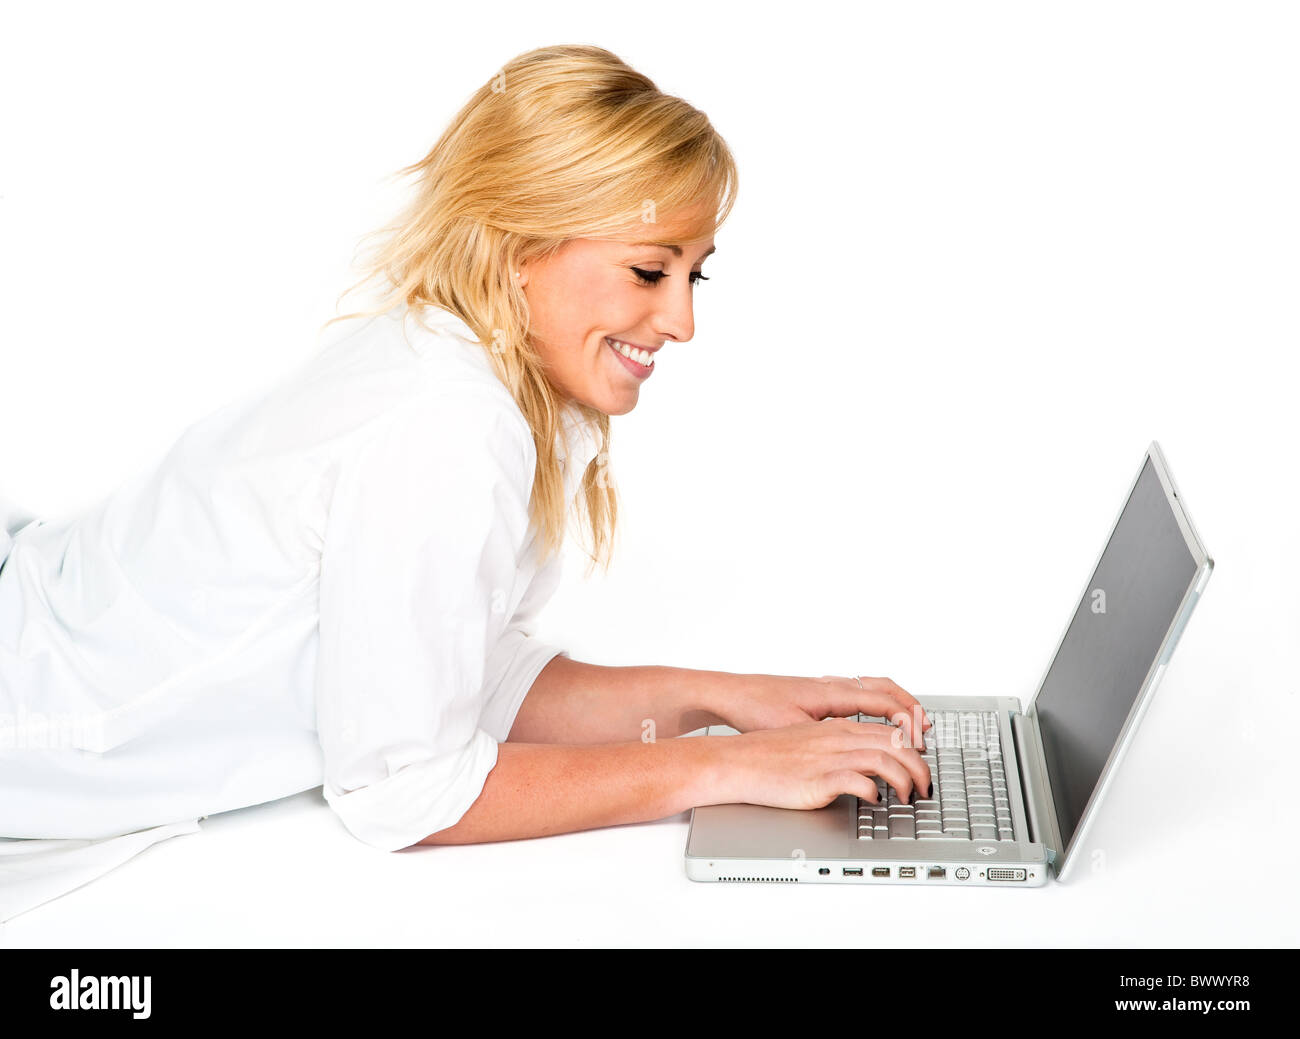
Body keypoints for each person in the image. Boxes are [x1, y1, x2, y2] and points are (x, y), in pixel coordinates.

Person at [0, 44, 931, 872]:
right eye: (652, 269)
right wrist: (725, 764)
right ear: (522, 245)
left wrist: (727, 700)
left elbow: (458, 671)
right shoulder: (446, 424)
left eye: (697, 272)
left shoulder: (460, 362)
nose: (683, 321)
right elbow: (405, 792)